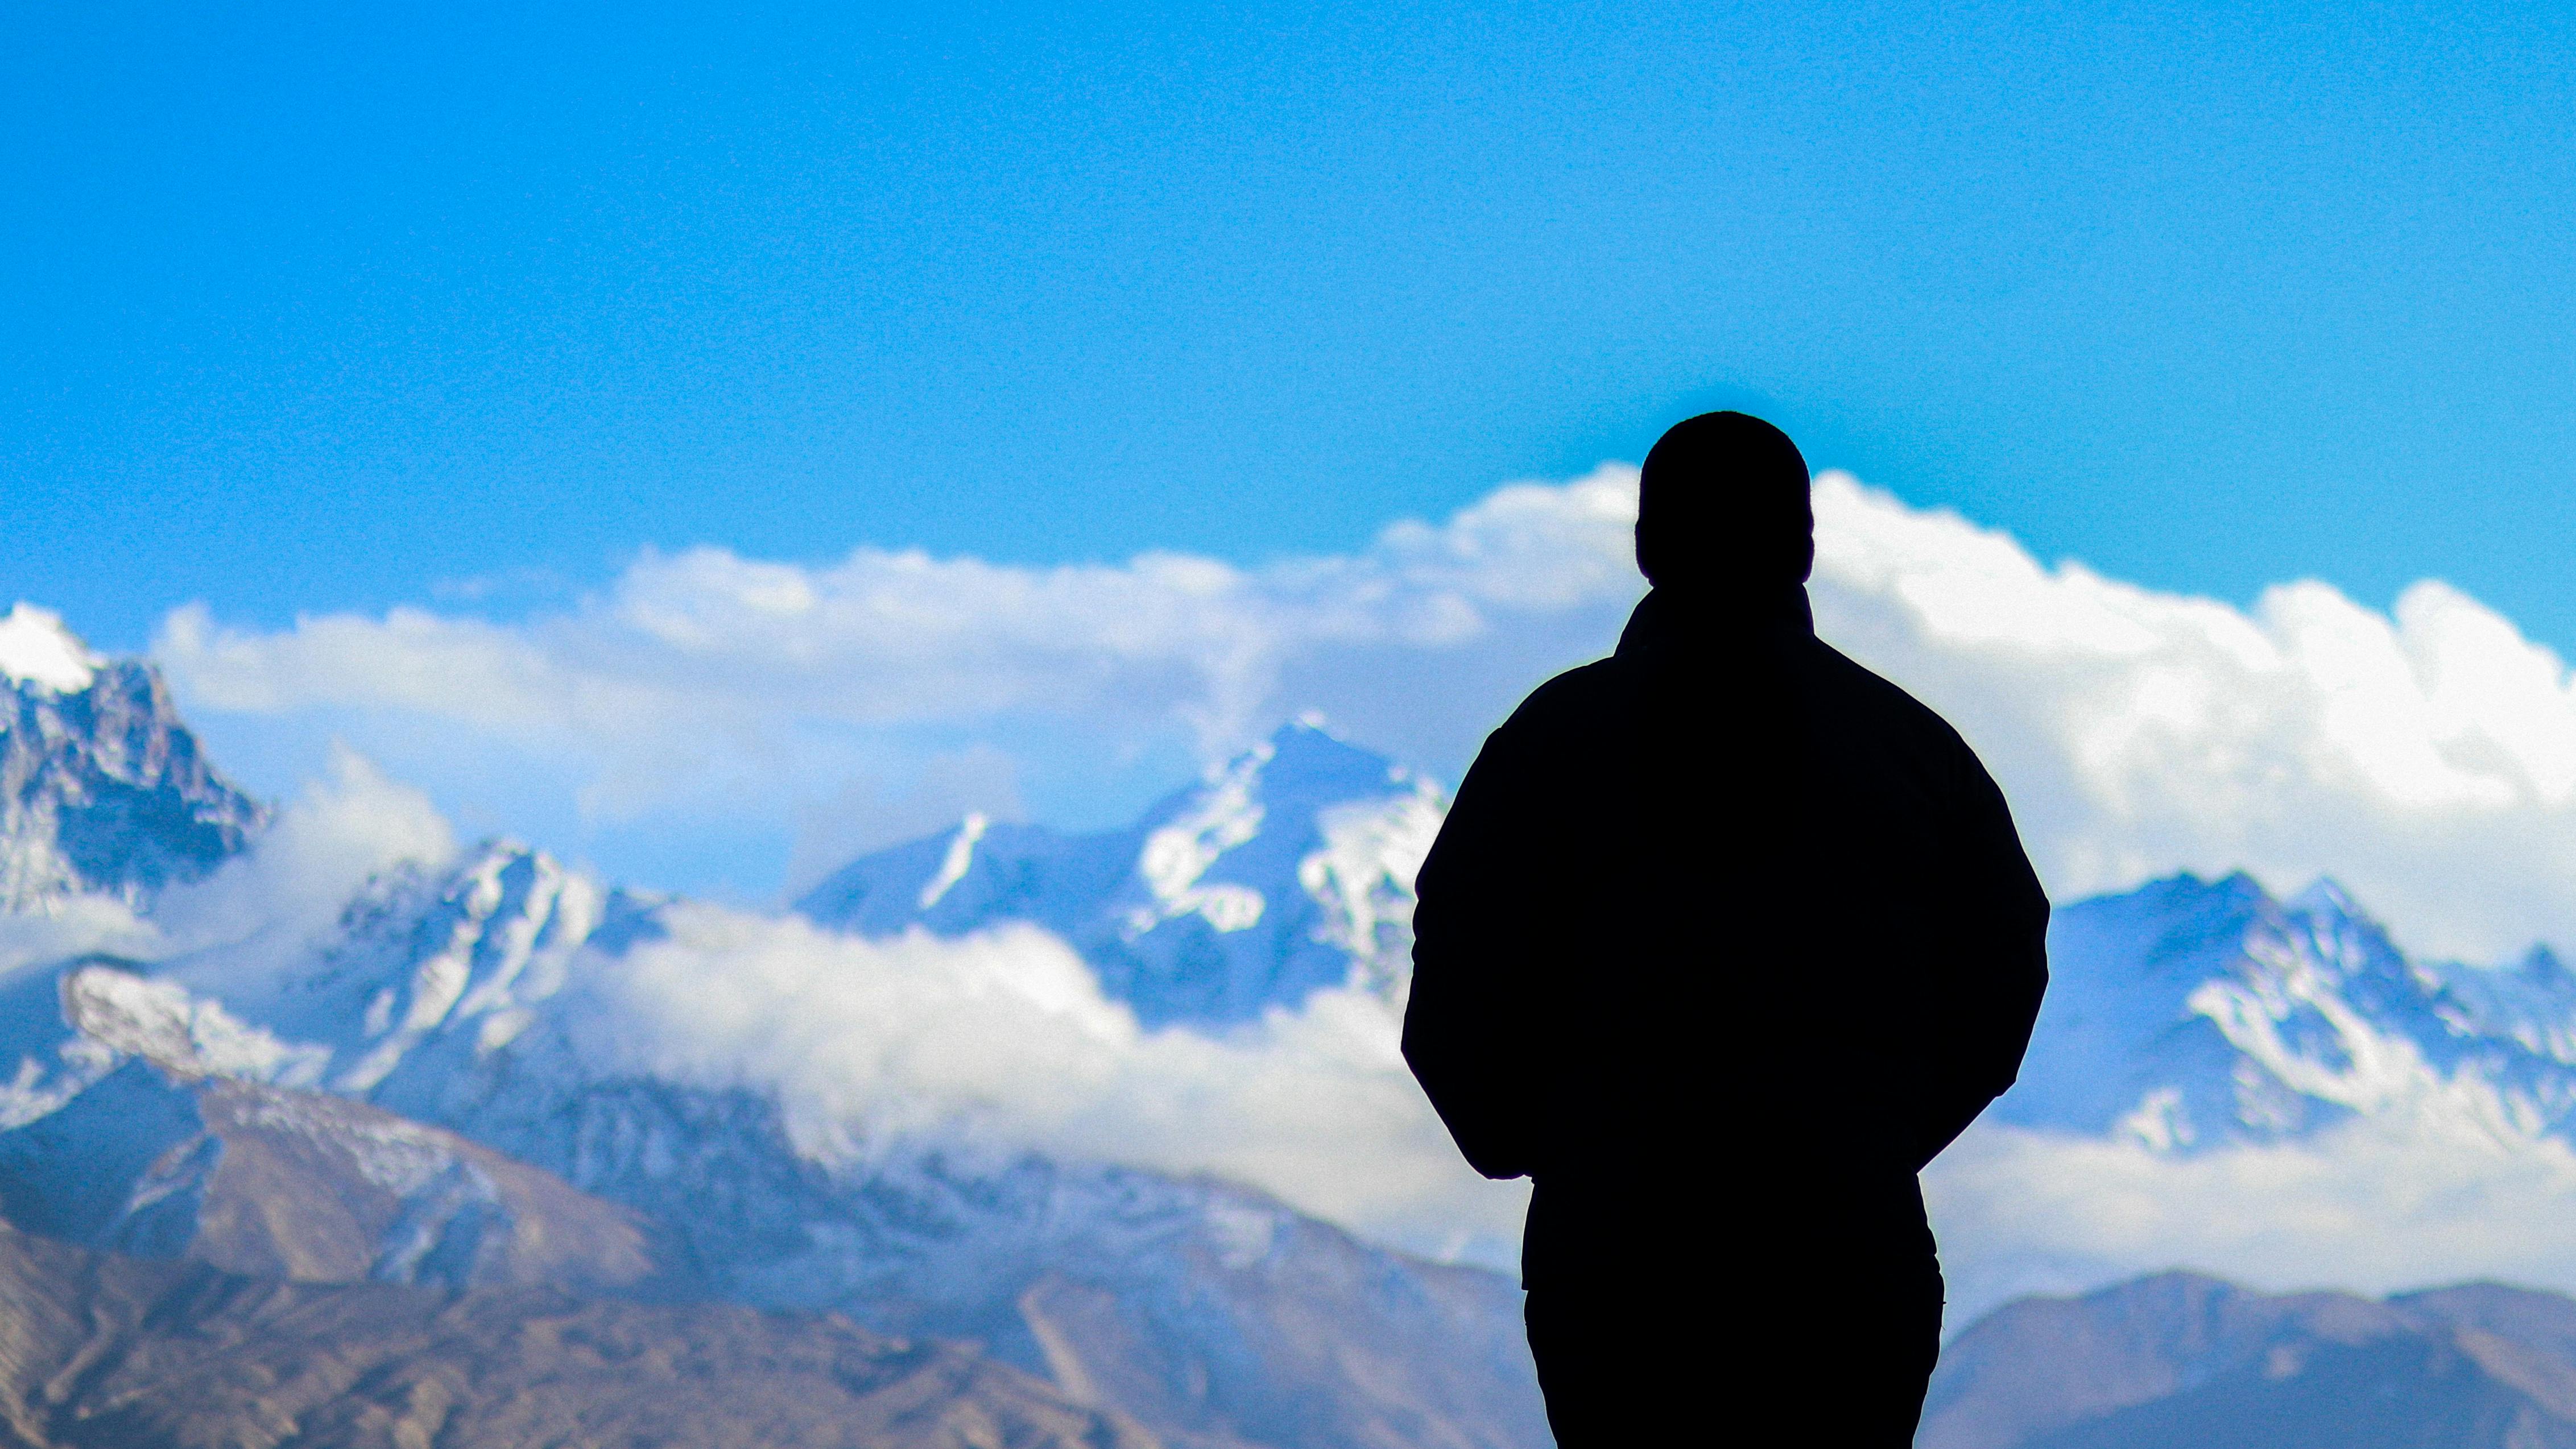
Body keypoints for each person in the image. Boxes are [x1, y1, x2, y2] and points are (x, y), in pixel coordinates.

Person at [1402, 412, 2049, 1446]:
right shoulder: (1915, 750)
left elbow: (1454, 984)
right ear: (1803, 548)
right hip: (1847, 1250)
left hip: (1615, 1252)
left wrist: (1556, 1149)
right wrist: (1868, 1142)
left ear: (1646, 548)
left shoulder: (1547, 742)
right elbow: (2004, 972)